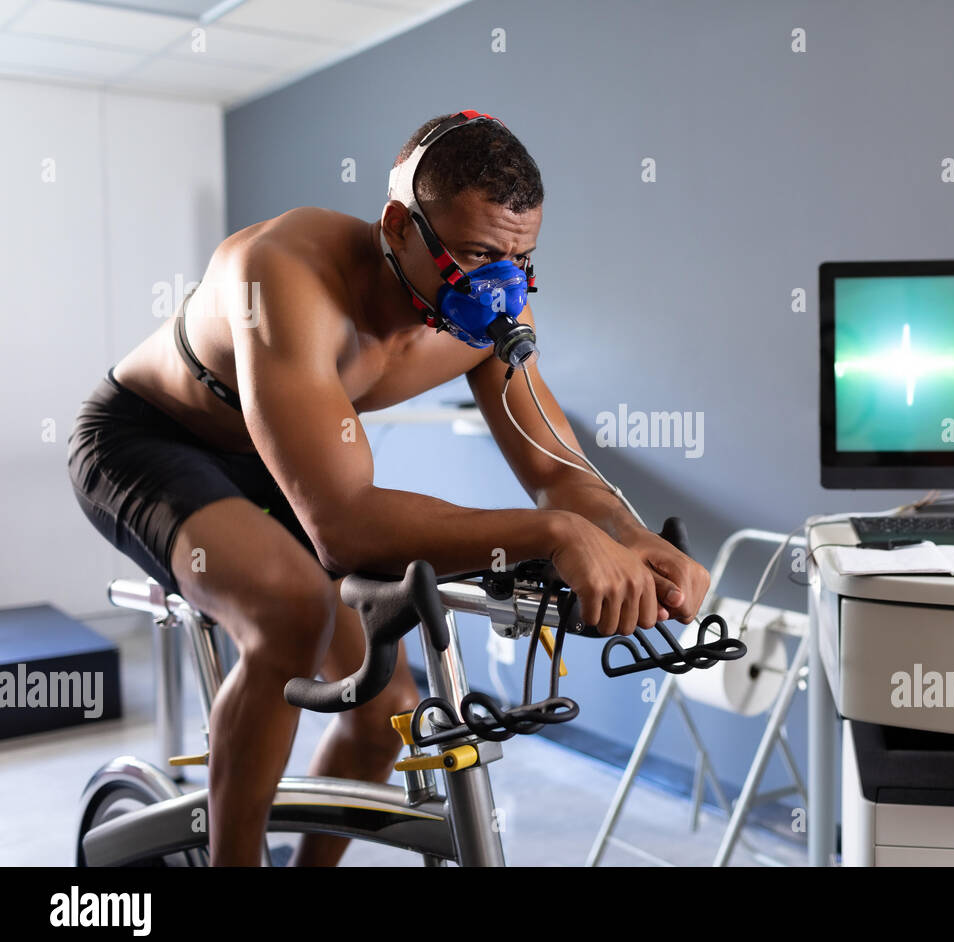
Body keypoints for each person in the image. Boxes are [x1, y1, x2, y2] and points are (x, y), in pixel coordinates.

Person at [66, 110, 709, 866]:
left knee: (387, 714)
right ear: (400, 225)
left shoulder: (489, 311)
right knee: (290, 611)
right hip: (152, 438)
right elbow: (342, 525)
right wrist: (558, 536)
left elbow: (556, 468)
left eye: (519, 257)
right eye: (474, 254)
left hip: (286, 460)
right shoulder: (283, 275)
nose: (500, 283)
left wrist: (627, 533)